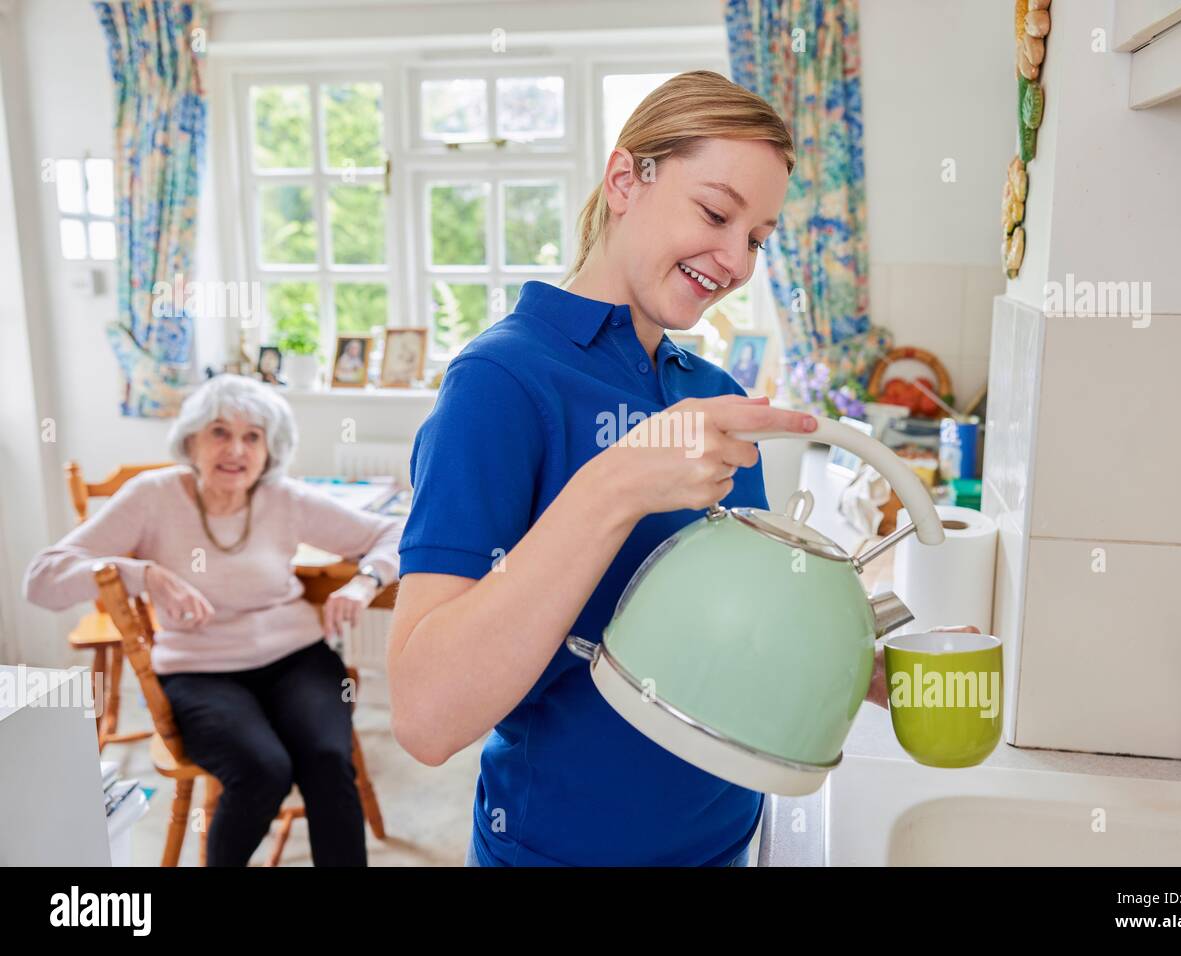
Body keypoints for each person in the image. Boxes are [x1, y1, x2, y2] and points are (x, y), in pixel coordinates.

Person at [387, 70, 964, 868]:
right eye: (716, 212)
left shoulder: (712, 393)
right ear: (626, 180)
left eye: (758, 238)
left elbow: (753, 624)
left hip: (729, 840)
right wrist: (620, 483)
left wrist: (873, 665)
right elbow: (425, 715)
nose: (735, 261)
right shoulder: (500, 384)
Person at [24, 375, 401, 866]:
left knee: (328, 762)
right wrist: (144, 575)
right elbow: (42, 580)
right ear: (191, 439)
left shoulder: (283, 498)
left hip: (296, 659)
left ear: (270, 449)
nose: (236, 450)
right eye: (220, 432)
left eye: (253, 436)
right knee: (263, 768)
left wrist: (364, 581)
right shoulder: (153, 496)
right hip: (199, 670)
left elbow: (395, 532)